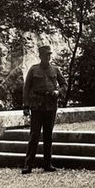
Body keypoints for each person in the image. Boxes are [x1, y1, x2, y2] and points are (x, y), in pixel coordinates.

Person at [22, 45, 67, 174]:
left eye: (49, 55)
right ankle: (28, 165)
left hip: (50, 106)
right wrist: (26, 106)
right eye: (45, 55)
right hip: (37, 106)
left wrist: (58, 92)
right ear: (40, 56)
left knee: (48, 136)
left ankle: (47, 164)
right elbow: (26, 88)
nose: (48, 57)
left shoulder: (55, 69)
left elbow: (64, 84)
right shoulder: (33, 70)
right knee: (34, 136)